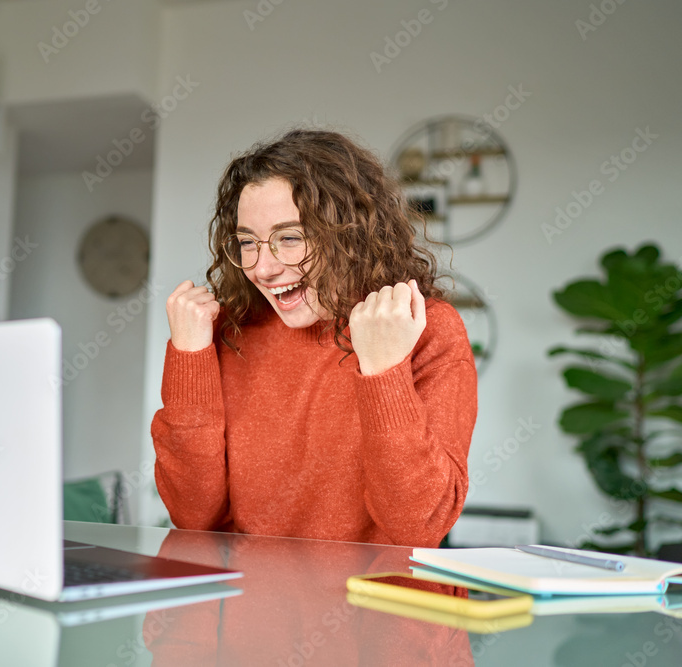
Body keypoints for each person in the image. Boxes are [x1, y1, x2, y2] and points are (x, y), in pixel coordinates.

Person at [152, 128, 477, 547]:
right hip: (254, 607)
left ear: (352, 233)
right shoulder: (226, 333)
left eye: (290, 238)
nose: (263, 268)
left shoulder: (427, 328)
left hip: (379, 608)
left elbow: (416, 525)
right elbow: (192, 517)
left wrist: (383, 371)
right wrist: (189, 357)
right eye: (247, 242)